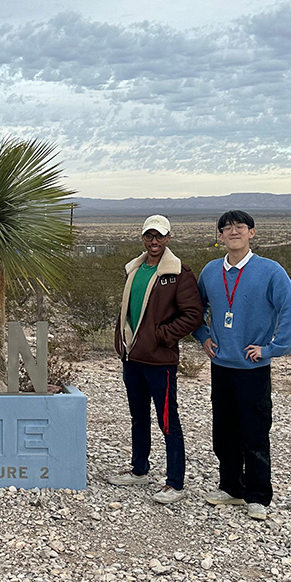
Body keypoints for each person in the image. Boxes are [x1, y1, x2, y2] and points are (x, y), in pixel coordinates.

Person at [194, 210, 291, 520]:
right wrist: (202, 336)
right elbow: (196, 308)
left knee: (254, 431)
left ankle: (257, 494)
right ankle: (230, 488)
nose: (233, 232)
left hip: (253, 368)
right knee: (224, 430)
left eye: (239, 227)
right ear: (219, 236)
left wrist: (273, 348)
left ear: (252, 233)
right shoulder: (211, 272)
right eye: (226, 228)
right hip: (221, 365)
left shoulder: (270, 271)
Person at [109, 215, 204, 504]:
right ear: (142, 238)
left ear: (168, 238)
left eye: (159, 236)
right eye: (149, 236)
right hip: (133, 357)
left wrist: (161, 335)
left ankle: (175, 482)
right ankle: (140, 470)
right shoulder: (134, 270)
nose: (154, 241)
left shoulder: (178, 273)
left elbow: (193, 314)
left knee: (167, 421)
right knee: (138, 417)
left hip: (160, 361)